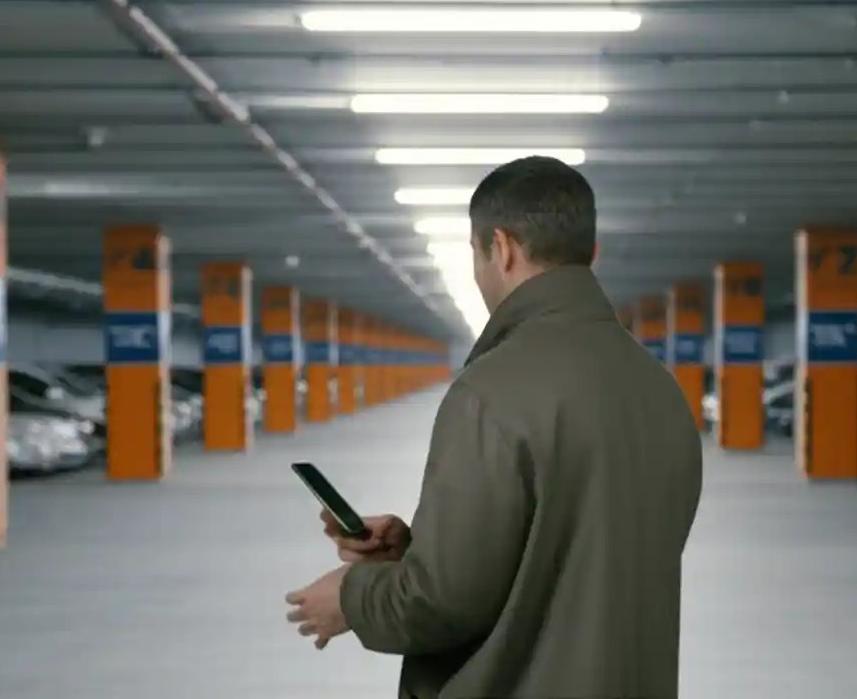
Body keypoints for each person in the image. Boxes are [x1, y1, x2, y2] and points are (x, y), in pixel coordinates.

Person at [285, 156, 703, 698]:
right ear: (591, 253)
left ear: (501, 248)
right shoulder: (659, 388)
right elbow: (575, 555)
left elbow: (443, 602)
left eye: (475, 253)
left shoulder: (491, 391)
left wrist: (351, 597)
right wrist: (417, 551)